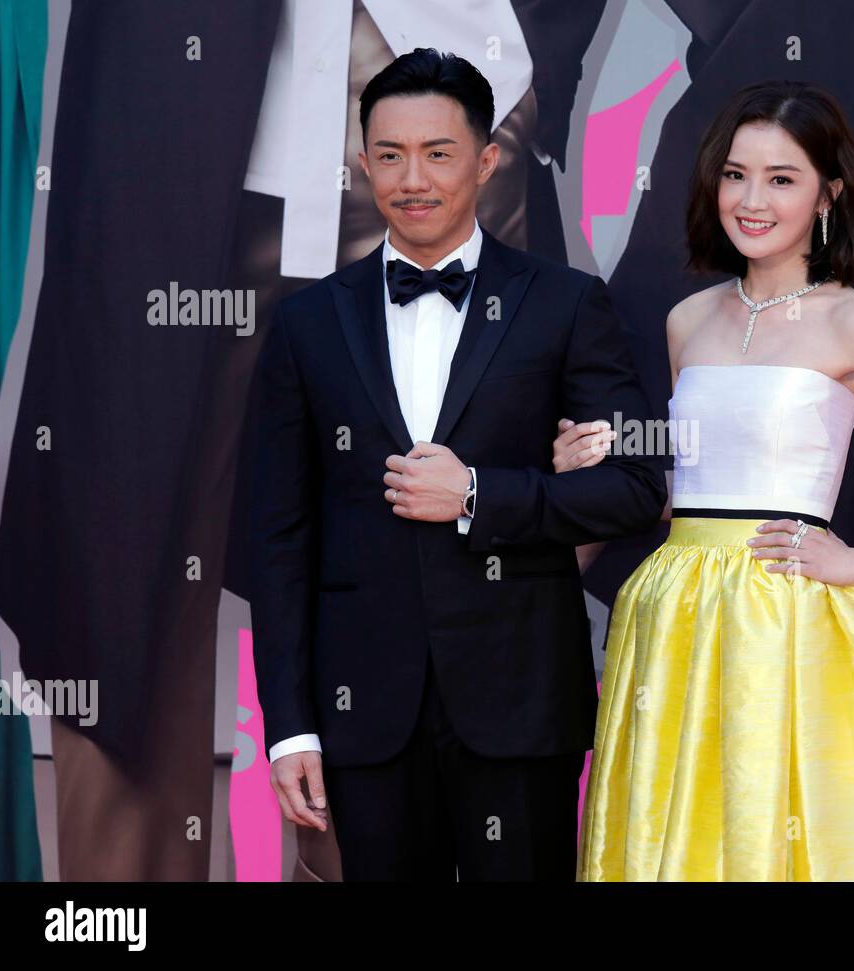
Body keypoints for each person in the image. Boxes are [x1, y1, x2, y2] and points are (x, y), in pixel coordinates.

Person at [558, 81, 854, 880]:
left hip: (793, 614)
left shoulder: (850, 319)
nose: (751, 198)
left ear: (827, 194)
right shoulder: (689, 319)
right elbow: (689, 483)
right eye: (736, 174)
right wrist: (605, 460)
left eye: (782, 178)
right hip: (673, 611)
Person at [250, 48, 665, 882]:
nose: (413, 178)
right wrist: (291, 724)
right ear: (363, 162)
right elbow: (278, 537)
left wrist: (478, 494)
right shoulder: (305, 325)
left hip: (519, 698)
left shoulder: (567, 303)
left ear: (485, 160)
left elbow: (633, 489)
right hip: (360, 707)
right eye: (390, 155)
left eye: (438, 153)